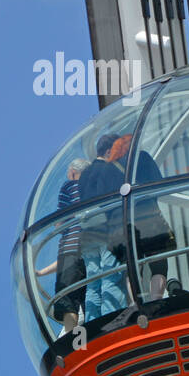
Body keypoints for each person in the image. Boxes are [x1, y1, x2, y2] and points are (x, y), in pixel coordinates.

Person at [76, 133, 129, 320]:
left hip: (87, 233)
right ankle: (112, 318)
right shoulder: (110, 170)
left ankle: (93, 321)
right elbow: (115, 204)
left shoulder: (84, 175)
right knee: (111, 275)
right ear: (108, 151)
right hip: (107, 230)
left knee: (93, 281)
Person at [35, 158, 90, 333]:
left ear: (73, 172)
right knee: (84, 298)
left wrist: (59, 225)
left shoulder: (69, 186)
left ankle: (72, 339)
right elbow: (69, 261)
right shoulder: (92, 188)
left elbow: (59, 222)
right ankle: (82, 337)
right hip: (89, 251)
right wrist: (42, 272)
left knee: (67, 301)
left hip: (72, 250)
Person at [130, 148, 174, 300]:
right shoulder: (142, 156)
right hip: (150, 217)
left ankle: (135, 303)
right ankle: (156, 300)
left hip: (126, 219)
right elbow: (159, 185)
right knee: (159, 264)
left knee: (133, 266)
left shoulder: (115, 162)